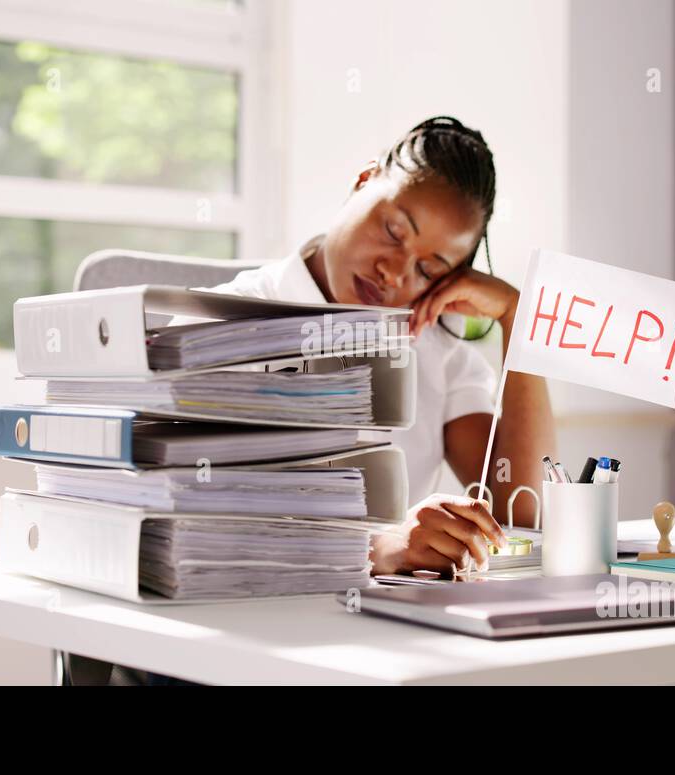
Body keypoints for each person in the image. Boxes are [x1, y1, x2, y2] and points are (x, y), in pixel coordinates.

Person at [203, 116, 555, 577]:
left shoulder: (435, 351)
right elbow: (197, 525)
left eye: (429, 270)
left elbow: (519, 515)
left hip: (399, 631)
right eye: (393, 231)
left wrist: (518, 317)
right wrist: (374, 548)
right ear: (363, 181)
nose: (395, 273)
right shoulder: (219, 328)